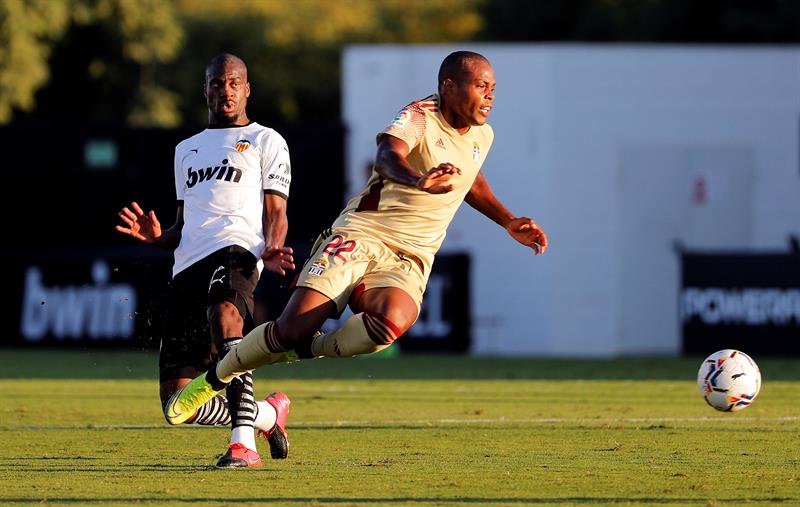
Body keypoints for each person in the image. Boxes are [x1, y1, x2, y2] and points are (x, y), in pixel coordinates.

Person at [164, 50, 548, 429]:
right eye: (481, 86)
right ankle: (213, 380)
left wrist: (508, 221)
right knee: (290, 329)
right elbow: (386, 155)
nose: (490, 96)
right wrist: (418, 180)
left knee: (387, 326)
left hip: (411, 254)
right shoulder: (419, 116)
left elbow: (472, 179)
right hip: (361, 234)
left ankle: (306, 349)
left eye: (493, 88)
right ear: (449, 86)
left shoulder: (484, 134)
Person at [115, 53, 295, 468]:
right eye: (217, 83)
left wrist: (270, 246)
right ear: (206, 89)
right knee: (178, 403)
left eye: (234, 83)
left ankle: (242, 446)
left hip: (239, 250)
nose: (226, 90)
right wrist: (158, 238)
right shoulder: (186, 150)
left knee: (225, 316)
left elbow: (276, 211)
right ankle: (267, 415)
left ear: (247, 89)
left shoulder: (268, 140)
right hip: (187, 265)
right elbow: (184, 225)